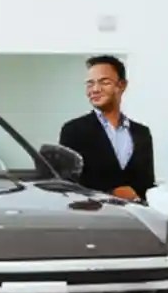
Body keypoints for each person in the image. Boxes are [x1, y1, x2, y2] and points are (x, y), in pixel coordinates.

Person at [58, 55, 156, 202]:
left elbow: (147, 182)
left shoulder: (141, 133)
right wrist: (111, 192)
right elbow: (66, 185)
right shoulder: (73, 131)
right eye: (90, 84)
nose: (95, 89)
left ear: (121, 85)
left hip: (135, 217)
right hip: (93, 218)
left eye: (104, 82)